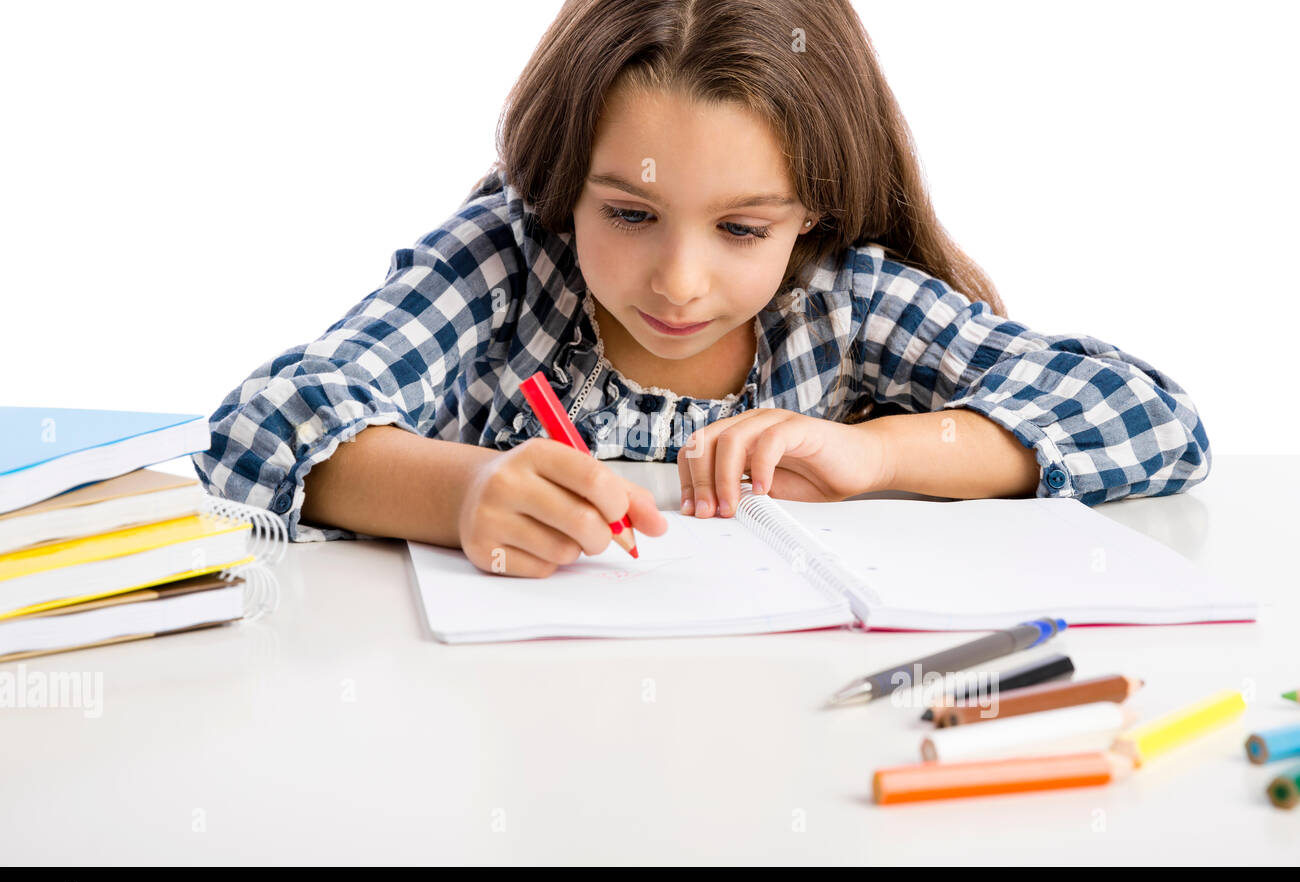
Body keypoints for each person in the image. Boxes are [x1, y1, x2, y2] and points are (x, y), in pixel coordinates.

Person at [192, 0, 1210, 579]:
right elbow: (260, 427)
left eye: (741, 227)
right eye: (629, 214)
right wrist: (458, 490)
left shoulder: (838, 300)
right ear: (558, 183)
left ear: (810, 210)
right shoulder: (502, 263)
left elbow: (1151, 416)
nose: (678, 280)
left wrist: (876, 451)